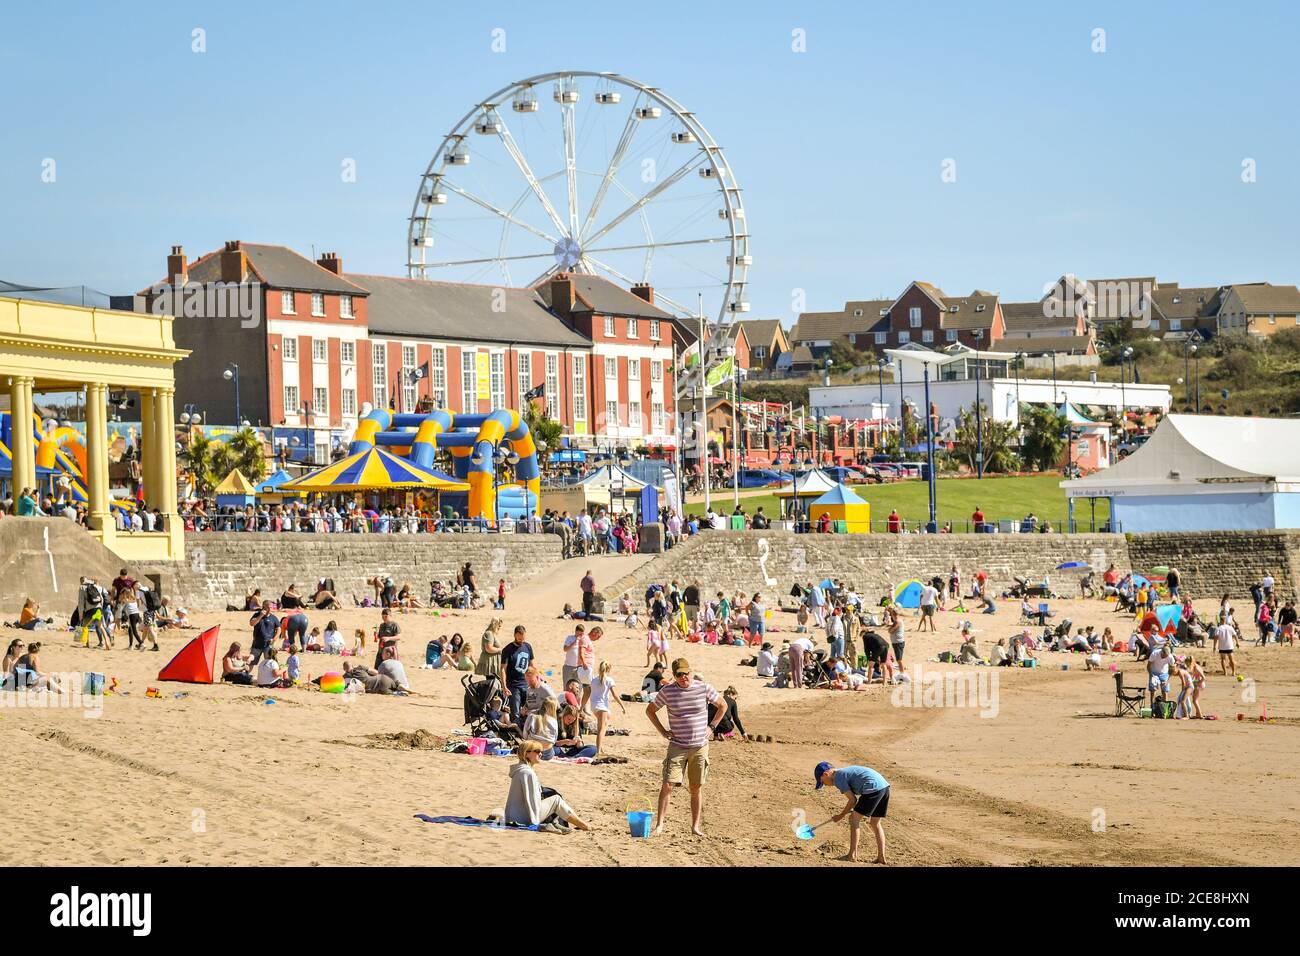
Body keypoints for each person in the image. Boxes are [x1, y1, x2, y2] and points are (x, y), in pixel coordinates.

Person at [646, 657, 726, 837]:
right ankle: (659, 825)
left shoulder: (703, 687)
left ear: (691, 672)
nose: (684, 677)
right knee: (667, 784)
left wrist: (711, 727)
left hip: (700, 746)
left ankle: (695, 827)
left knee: (696, 787)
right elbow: (650, 710)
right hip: (677, 746)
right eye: (679, 675)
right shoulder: (667, 691)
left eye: (686, 673)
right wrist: (663, 731)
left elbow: (722, 705)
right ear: (674, 676)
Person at [814, 761, 889, 864]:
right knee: (875, 823)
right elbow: (854, 801)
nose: (824, 785)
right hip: (884, 787)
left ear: (826, 774)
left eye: (822, 782)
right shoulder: (843, 772)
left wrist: (841, 816)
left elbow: (852, 800)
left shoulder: (838, 778)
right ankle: (881, 857)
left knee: (854, 819)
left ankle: (852, 855)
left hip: (872, 788)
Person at [505, 741, 591, 830]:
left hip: (514, 816)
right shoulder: (527, 773)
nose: (541, 754)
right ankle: (584, 825)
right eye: (537, 751)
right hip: (522, 819)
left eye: (541, 751)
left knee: (551, 796)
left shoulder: (520, 770)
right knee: (556, 800)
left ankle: (558, 823)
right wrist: (534, 823)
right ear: (526, 754)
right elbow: (532, 799)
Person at [499, 625, 534, 725]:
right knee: (516, 714)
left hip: (526, 684)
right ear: (515, 635)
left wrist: (536, 679)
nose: (521, 639)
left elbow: (532, 665)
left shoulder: (528, 647)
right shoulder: (507, 649)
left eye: (523, 637)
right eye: (519, 637)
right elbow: (502, 669)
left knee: (529, 711)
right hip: (513, 686)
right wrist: (504, 686)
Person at [589, 660, 626, 756]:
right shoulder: (609, 680)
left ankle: (600, 748)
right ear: (608, 669)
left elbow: (590, 692)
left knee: (603, 725)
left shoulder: (594, 679)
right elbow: (615, 695)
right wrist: (622, 705)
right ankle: (597, 751)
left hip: (593, 706)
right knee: (601, 729)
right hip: (602, 707)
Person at [249, 601, 279, 665]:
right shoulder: (257, 615)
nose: (270, 609)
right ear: (263, 607)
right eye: (268, 607)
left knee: (270, 663)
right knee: (251, 663)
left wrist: (274, 639)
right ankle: (246, 675)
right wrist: (260, 616)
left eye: (271, 607)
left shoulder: (273, 618)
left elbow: (279, 629)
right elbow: (252, 623)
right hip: (256, 644)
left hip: (268, 645)